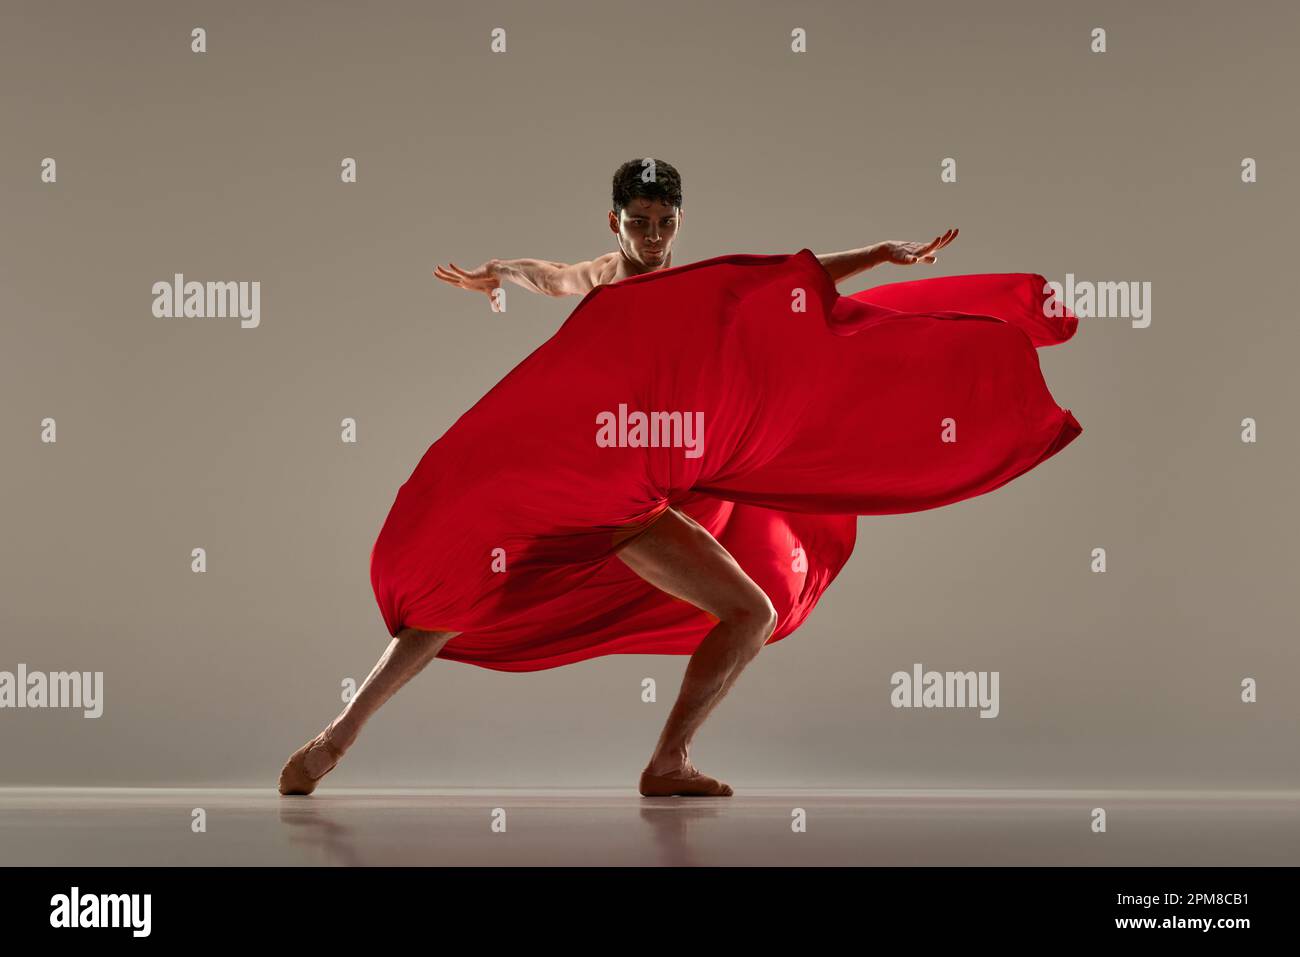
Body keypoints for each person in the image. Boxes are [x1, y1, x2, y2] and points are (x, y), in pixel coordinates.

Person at [279, 158, 1074, 798]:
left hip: (628, 500)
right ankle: (335, 738)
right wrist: (502, 272)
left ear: (679, 222)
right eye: (638, 222)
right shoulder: (610, 275)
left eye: (663, 223)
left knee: (747, 612)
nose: (652, 235)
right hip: (575, 471)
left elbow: (794, 285)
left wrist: (877, 254)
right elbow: (552, 274)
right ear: (615, 221)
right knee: (463, 588)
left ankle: (667, 762)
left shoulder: (698, 297)